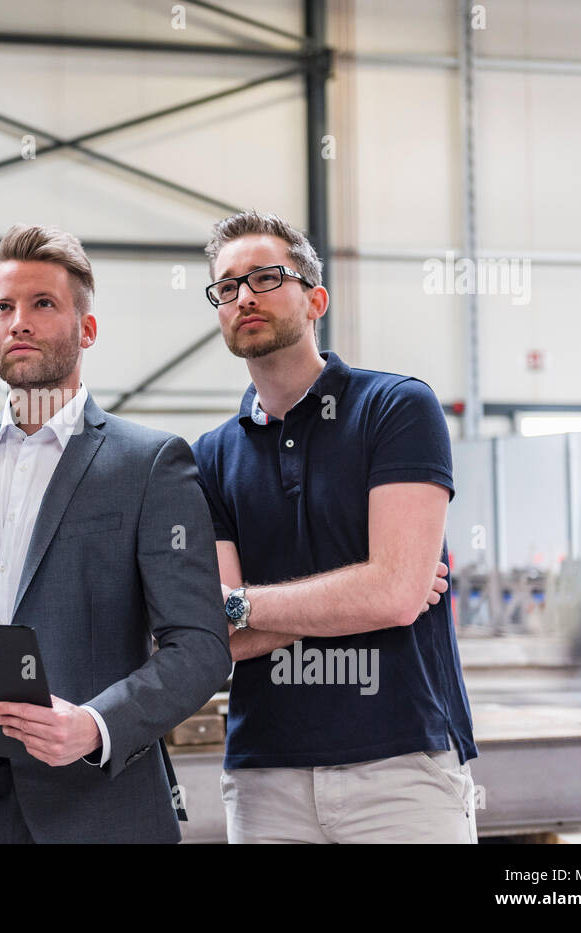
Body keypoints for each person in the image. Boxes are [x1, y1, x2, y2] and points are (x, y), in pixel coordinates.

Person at [0, 224, 231, 844]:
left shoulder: (151, 464)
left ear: (86, 330)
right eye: (3, 307)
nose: (19, 322)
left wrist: (94, 725)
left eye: (42, 304)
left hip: (97, 806)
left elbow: (199, 647)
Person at [191, 209, 477, 843]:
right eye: (227, 286)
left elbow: (398, 594)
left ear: (315, 297)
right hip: (265, 778)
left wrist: (240, 604)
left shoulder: (396, 408)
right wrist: (367, 594)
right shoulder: (208, 457)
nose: (244, 296)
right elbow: (217, 640)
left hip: (403, 766)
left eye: (265, 277)